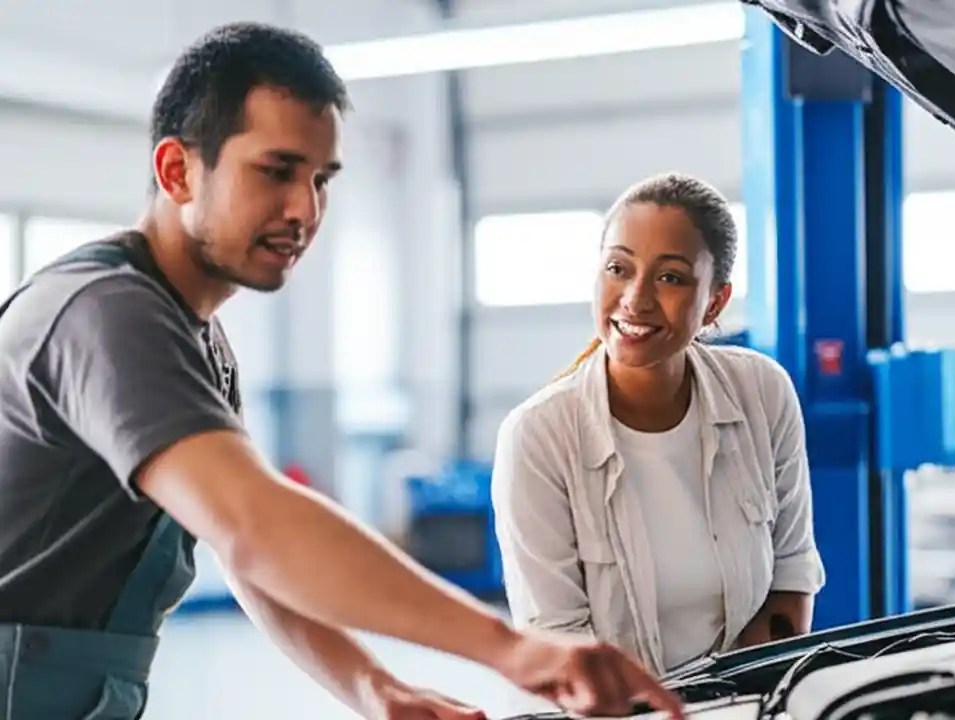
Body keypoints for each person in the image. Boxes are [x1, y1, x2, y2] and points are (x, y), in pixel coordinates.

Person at [0, 22, 684, 720]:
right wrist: (515, 648)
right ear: (178, 171)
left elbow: (250, 561)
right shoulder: (106, 313)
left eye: (320, 179)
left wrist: (372, 687)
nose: (306, 210)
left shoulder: (197, 341)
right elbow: (254, 526)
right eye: (276, 171)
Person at [491, 172, 826, 675]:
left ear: (714, 301)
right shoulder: (539, 437)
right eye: (618, 268)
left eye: (670, 276)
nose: (636, 298)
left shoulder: (762, 393)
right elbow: (558, 643)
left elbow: (789, 579)